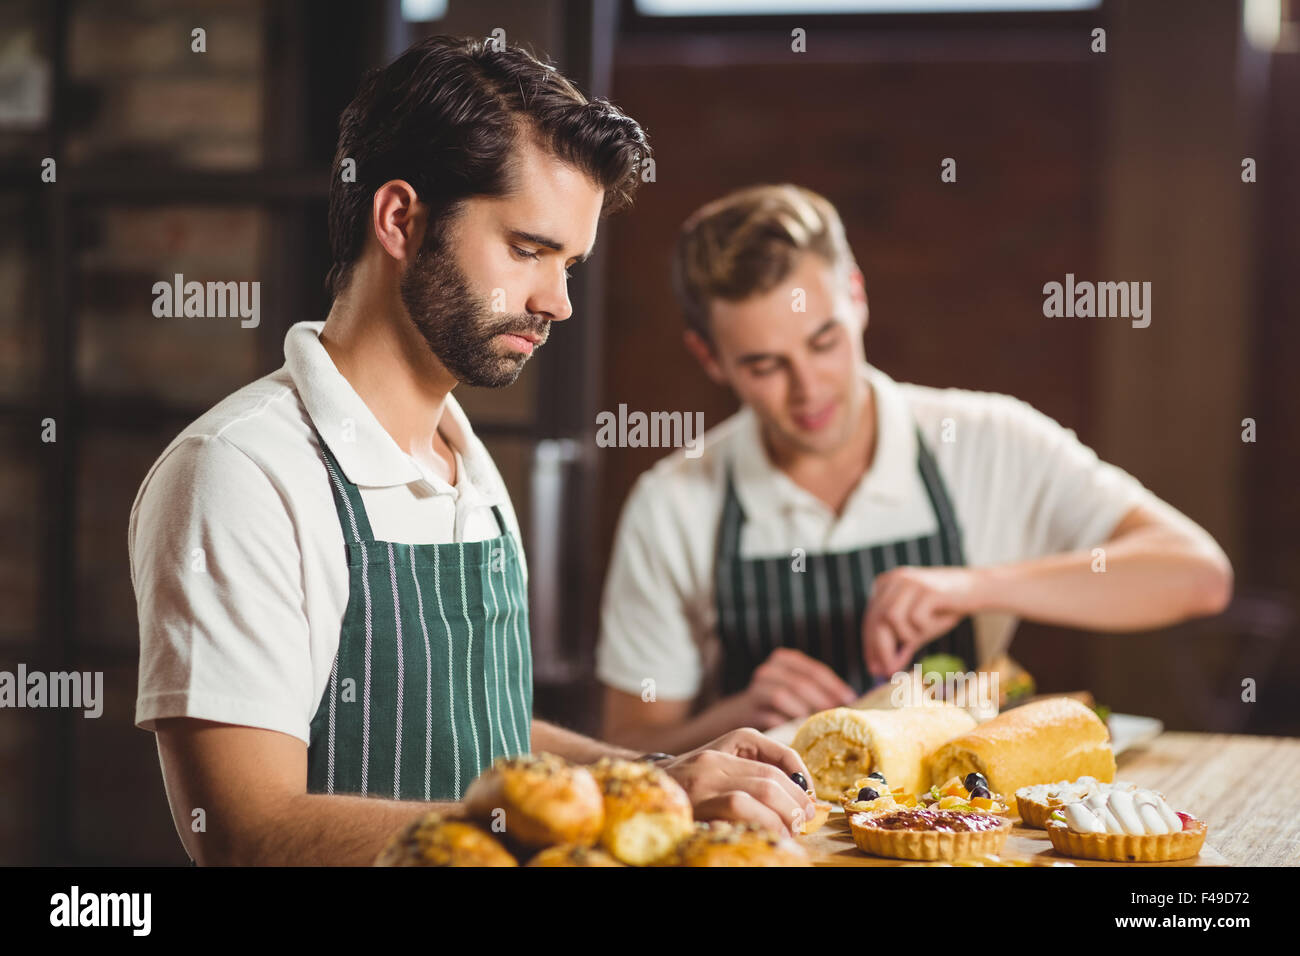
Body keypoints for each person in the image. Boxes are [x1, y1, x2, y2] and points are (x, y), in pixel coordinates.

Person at [129, 39, 816, 866]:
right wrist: (609, 809)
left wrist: (653, 774)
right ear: (400, 219)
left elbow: (477, 729)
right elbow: (248, 833)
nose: (556, 301)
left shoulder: (466, 459)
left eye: (571, 264)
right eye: (527, 250)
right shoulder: (241, 471)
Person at [596, 183, 1233, 754]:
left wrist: (976, 587)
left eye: (825, 342)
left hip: (958, 823)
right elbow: (629, 742)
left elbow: (1197, 575)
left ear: (856, 295)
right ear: (709, 358)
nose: (808, 389)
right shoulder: (674, 503)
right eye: (765, 365)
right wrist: (731, 719)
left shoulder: (990, 441)